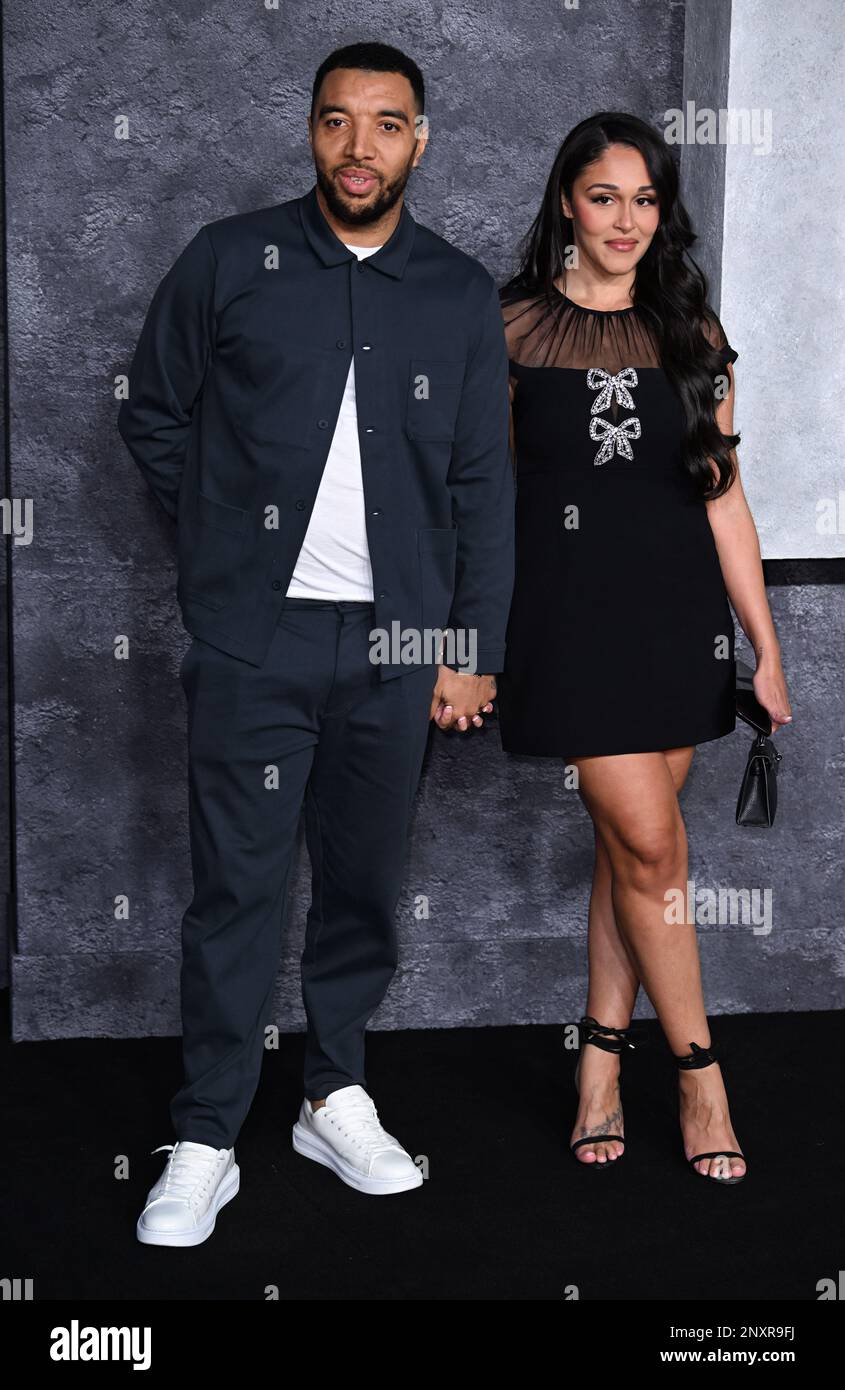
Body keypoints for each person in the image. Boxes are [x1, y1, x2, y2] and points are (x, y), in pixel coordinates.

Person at [118, 41, 514, 1246]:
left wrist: (468, 644)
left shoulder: (453, 291)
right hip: (255, 638)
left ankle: (333, 1091)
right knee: (235, 889)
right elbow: (153, 411)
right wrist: (227, 551)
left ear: (420, 141)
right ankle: (204, 1133)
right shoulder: (233, 258)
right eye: (337, 122)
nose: (359, 147)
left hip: (399, 643)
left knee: (360, 884)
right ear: (309, 132)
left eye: (386, 124)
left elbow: (483, 483)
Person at [496, 112, 792, 1185]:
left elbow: (723, 499)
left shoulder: (692, 334)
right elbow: (469, 499)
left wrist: (760, 645)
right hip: (563, 625)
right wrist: (459, 642)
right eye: (602, 196)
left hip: (674, 626)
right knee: (655, 851)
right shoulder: (506, 327)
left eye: (644, 199)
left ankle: (596, 1070)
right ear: (565, 203)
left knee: (633, 852)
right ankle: (698, 1070)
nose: (624, 219)